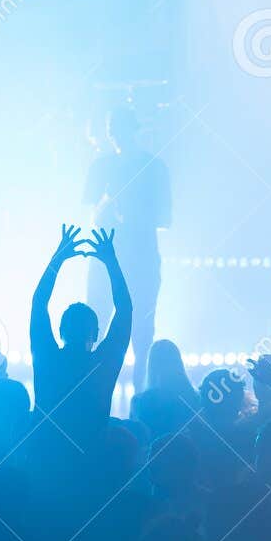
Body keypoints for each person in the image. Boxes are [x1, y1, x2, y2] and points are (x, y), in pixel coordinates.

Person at [83, 107, 170, 389]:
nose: (115, 136)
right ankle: (94, 388)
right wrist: (109, 204)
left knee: (142, 330)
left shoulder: (154, 167)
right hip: (106, 260)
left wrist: (129, 212)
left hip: (139, 259)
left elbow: (163, 218)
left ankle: (139, 391)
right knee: (95, 324)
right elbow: (87, 213)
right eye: (112, 130)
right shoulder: (101, 167)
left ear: (132, 131)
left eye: (119, 129)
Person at [30, 225, 131, 452]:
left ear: (61, 332)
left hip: (46, 458)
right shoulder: (104, 364)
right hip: (92, 459)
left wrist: (59, 258)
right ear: (95, 334)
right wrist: (110, 262)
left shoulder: (47, 359)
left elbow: (39, 302)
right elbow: (125, 309)